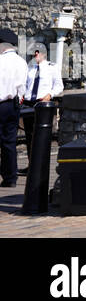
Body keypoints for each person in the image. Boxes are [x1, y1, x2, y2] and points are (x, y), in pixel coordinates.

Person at [22, 44, 63, 156]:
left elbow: (59, 86)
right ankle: (31, 166)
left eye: (38, 52)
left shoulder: (52, 67)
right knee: (29, 135)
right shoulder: (29, 68)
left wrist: (50, 94)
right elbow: (25, 85)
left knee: (42, 134)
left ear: (44, 54)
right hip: (28, 103)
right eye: (34, 52)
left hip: (42, 102)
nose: (35, 54)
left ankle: (40, 167)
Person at [0, 29, 27, 188]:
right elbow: (22, 87)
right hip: (13, 104)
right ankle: (10, 178)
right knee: (9, 142)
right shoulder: (21, 62)